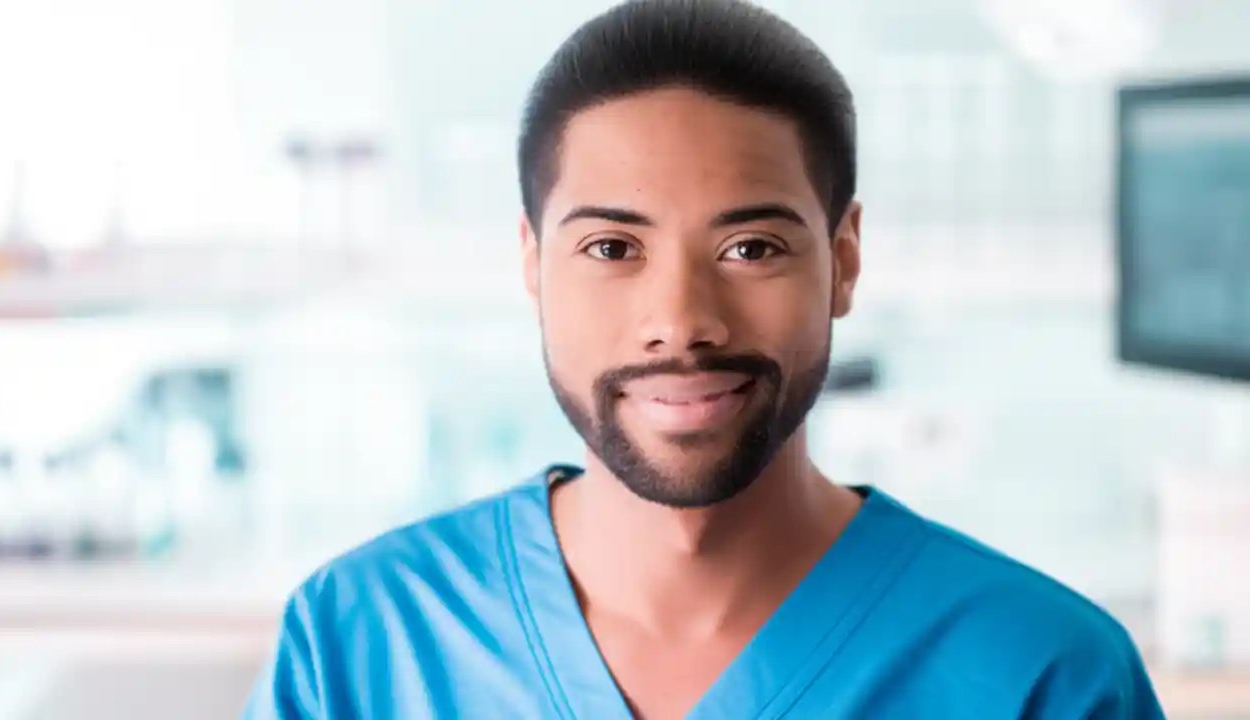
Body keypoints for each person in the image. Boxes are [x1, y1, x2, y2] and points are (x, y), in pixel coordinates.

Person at [243, 1, 1165, 717]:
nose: (680, 322)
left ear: (843, 260)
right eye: (612, 249)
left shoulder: (1042, 674)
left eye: (751, 248)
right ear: (532, 264)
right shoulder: (360, 645)